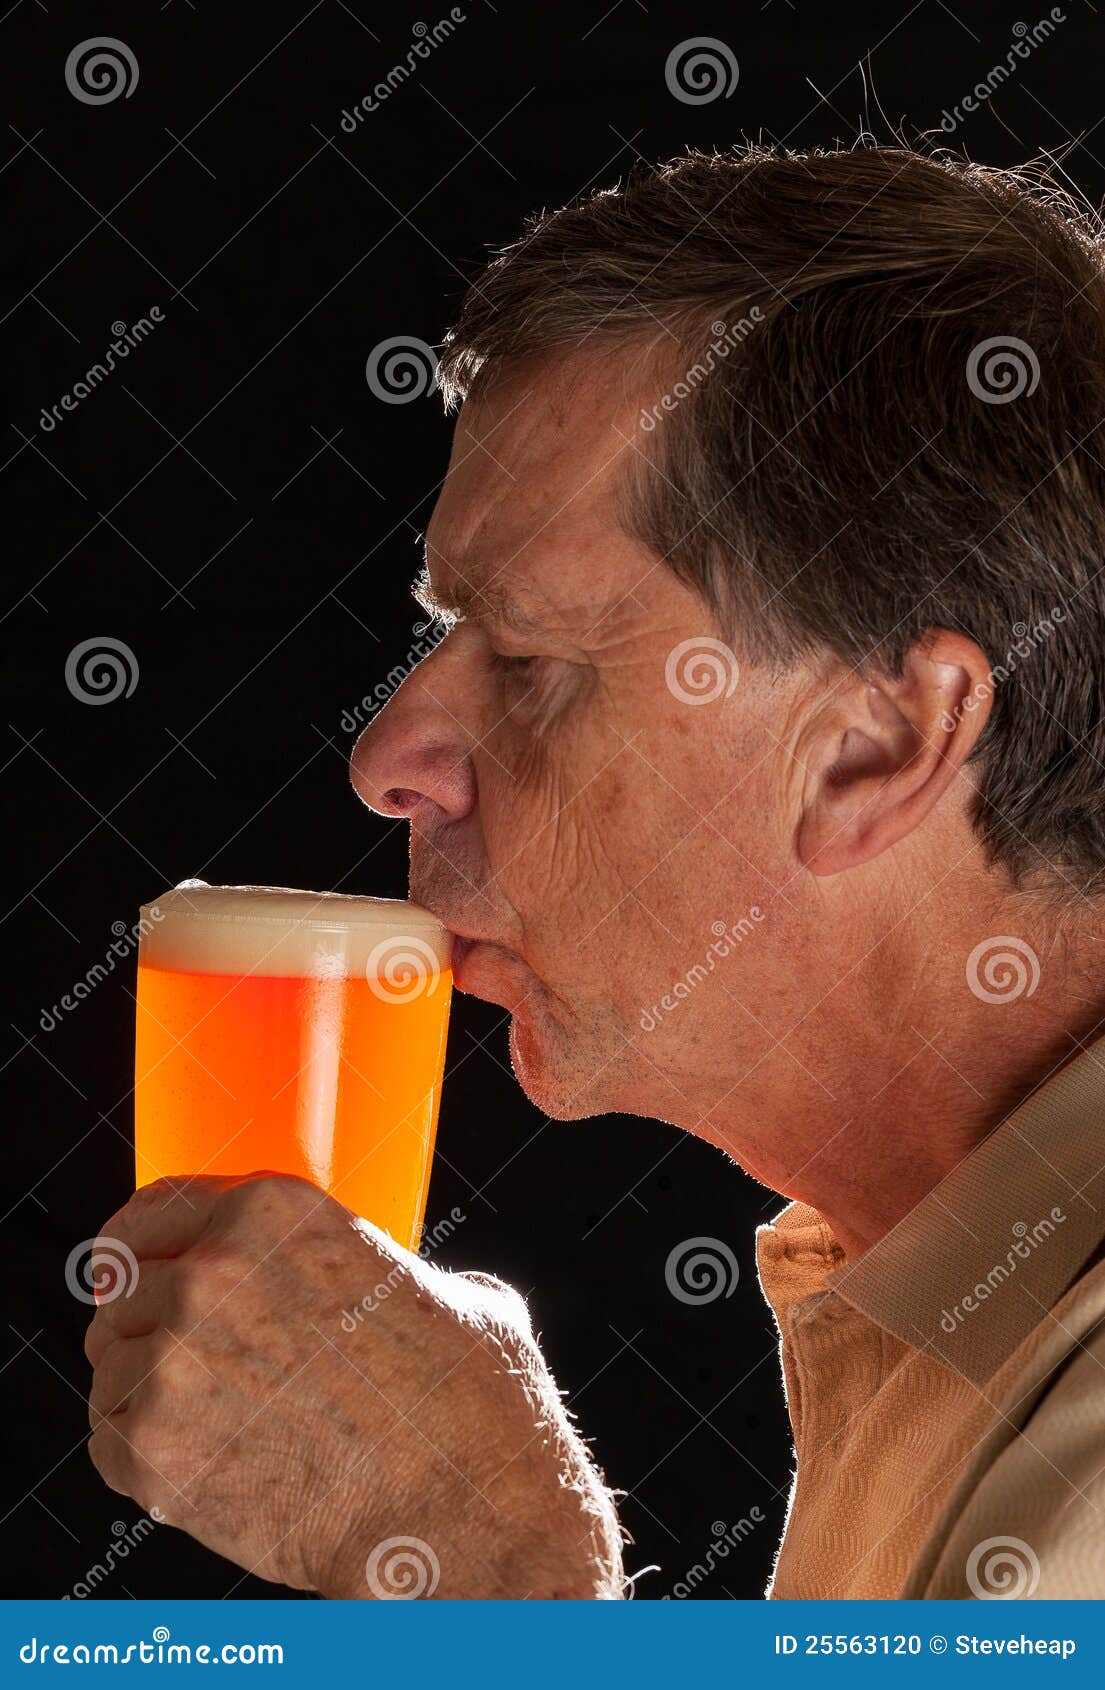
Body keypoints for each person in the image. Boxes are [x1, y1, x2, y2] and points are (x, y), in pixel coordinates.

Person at [86, 144, 1105, 1600]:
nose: (390, 756)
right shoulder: (936, 1288)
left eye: (529, 662)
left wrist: (496, 1567)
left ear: (875, 746)